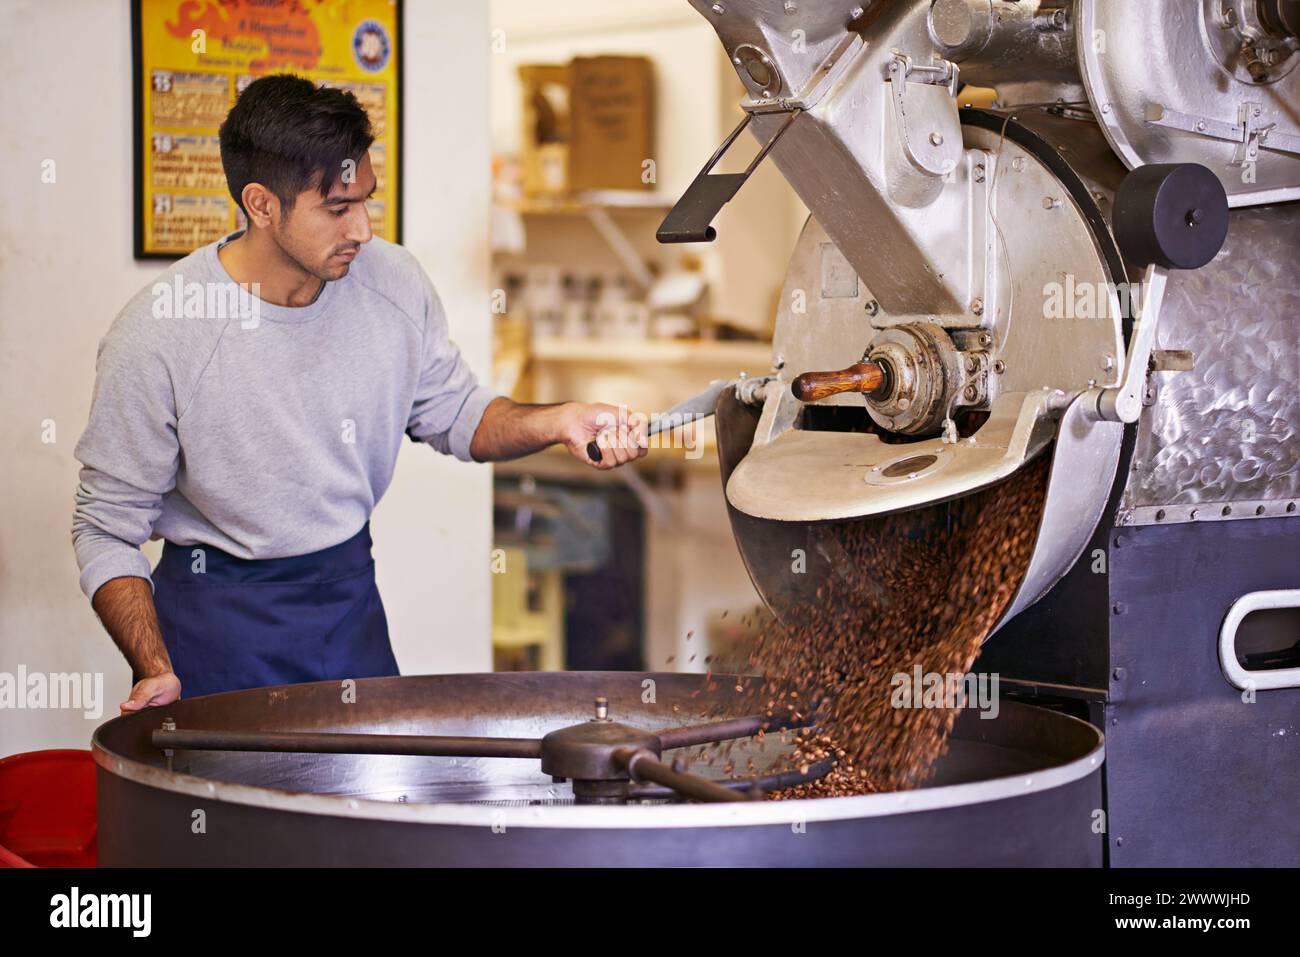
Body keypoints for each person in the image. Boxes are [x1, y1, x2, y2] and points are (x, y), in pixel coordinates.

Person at [72, 74, 647, 713]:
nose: (364, 230)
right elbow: (106, 528)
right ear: (262, 205)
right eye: (337, 208)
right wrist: (154, 666)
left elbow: (457, 415)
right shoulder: (159, 333)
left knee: (370, 806)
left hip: (348, 608)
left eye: (366, 200)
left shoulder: (394, 284)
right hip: (214, 625)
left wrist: (560, 420)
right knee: (238, 815)